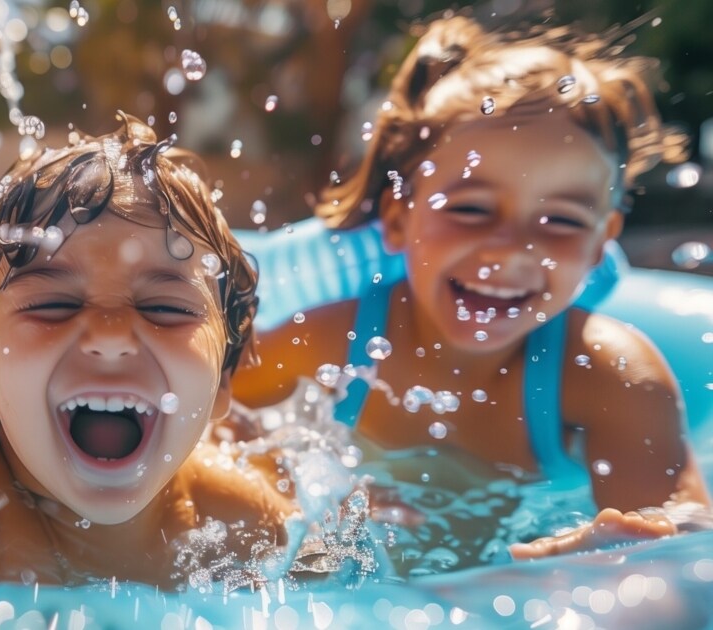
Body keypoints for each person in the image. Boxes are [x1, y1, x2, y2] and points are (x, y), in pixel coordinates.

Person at [233, 15, 708, 558]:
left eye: (562, 221)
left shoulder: (611, 379)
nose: (510, 249)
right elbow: (210, 425)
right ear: (398, 218)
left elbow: (686, 540)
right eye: (471, 208)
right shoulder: (331, 342)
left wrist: (605, 555)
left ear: (603, 241)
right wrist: (280, 503)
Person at [0, 114, 300, 588]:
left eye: (164, 307)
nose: (110, 337)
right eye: (53, 304)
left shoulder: (240, 521)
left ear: (221, 383)